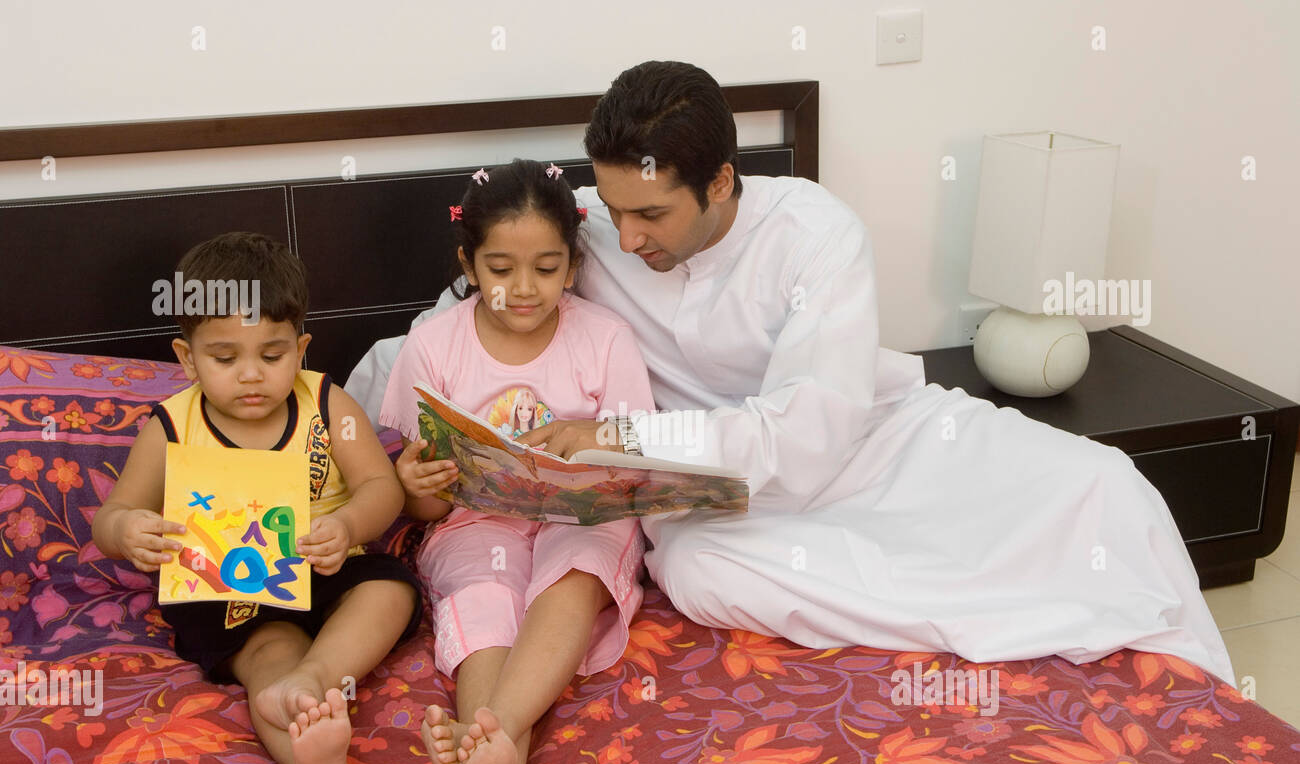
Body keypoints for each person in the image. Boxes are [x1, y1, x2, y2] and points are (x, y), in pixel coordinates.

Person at [349, 62, 1235, 688]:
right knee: (697, 577)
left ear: (724, 181)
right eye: (611, 208)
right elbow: (470, 312)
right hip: (713, 496)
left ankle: (1165, 659)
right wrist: (334, 432)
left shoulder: (818, 236)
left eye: (650, 214)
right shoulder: (585, 224)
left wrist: (612, 433)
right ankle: (987, 616)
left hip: (869, 445)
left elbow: (809, 434)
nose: (624, 237)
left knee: (1104, 482)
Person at [92, 232, 421, 764]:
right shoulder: (170, 426)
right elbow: (112, 516)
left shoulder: (326, 404)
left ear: (301, 348)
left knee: (390, 591)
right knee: (267, 657)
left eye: (272, 355)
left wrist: (346, 526)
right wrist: (126, 531)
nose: (251, 375)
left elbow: (382, 487)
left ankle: (315, 676)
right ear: (186, 357)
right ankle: (310, 761)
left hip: (325, 563)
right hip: (228, 589)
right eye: (225, 358)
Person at [380, 159, 655, 764]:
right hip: (476, 517)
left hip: (583, 511)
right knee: (482, 592)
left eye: (546, 268)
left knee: (572, 573)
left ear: (572, 265)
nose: (523, 290)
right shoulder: (433, 343)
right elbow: (413, 494)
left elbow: (638, 452)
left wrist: (599, 447)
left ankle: (486, 746)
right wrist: (415, 493)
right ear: (468, 264)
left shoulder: (605, 338)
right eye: (501, 269)